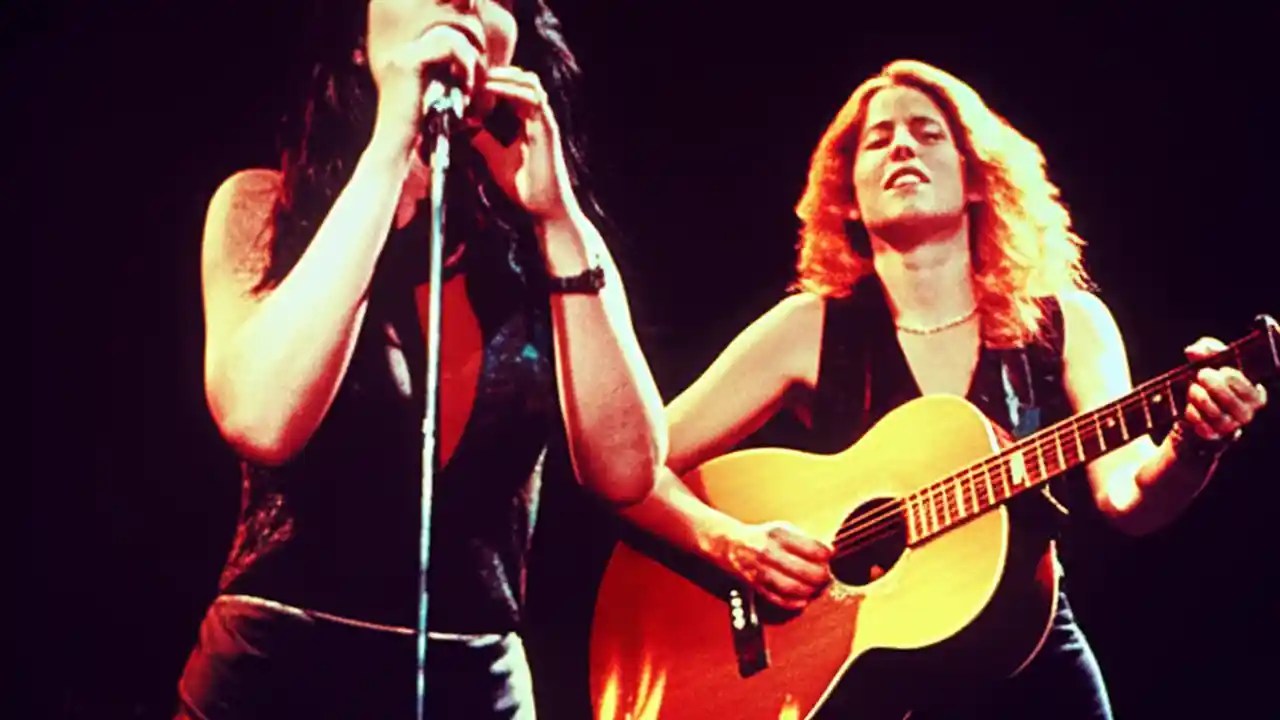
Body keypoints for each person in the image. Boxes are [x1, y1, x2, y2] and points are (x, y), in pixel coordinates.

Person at [614, 59, 1269, 719]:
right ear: (846, 197)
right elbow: (627, 465)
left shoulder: (1069, 323)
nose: (902, 145)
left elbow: (1130, 500)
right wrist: (731, 543)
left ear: (975, 178)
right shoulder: (806, 327)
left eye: (928, 133)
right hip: (854, 682)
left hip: (1026, 664)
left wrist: (1193, 446)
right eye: (878, 140)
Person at [173, 1, 666, 718]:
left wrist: (559, 221)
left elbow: (627, 470)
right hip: (276, 674)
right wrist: (387, 154)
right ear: (356, 41)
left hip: (478, 681)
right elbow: (261, 418)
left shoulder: (557, 244)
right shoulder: (263, 210)